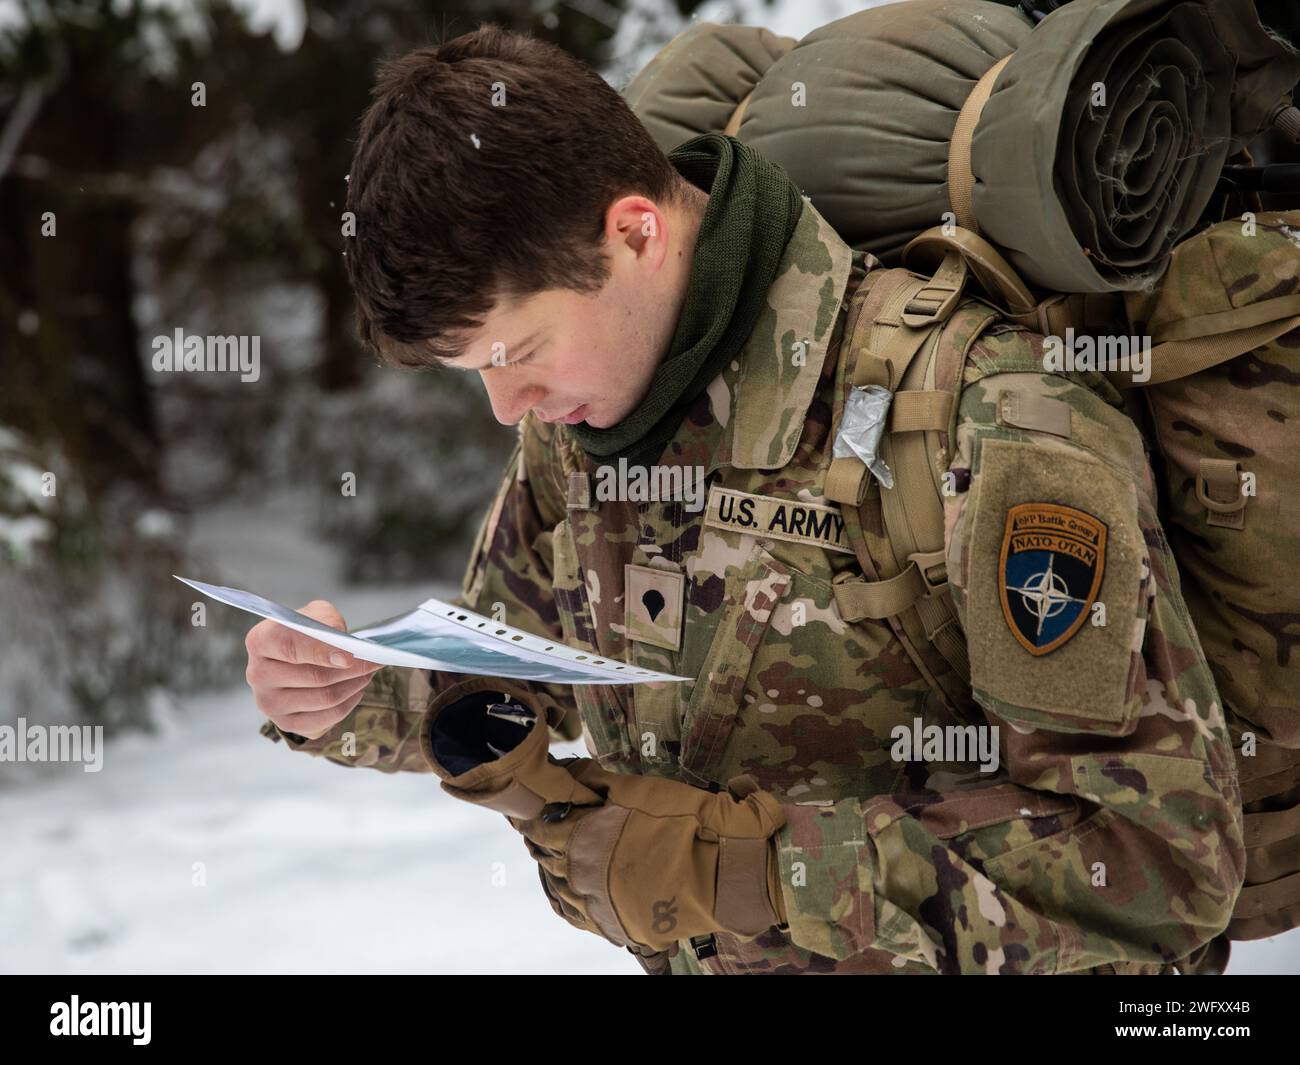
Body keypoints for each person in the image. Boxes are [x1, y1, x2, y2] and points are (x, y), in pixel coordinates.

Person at [245, 24, 1244, 975]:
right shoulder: (584, 430)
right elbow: (519, 663)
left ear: (633, 235)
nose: (508, 408)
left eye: (517, 354)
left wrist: (749, 871)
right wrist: (357, 691)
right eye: (475, 373)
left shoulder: (985, 415)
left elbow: (1151, 869)